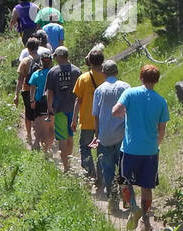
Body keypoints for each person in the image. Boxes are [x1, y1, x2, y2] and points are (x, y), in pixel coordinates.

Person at [112, 63, 170, 231]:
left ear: (140, 77)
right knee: (147, 187)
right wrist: (155, 145)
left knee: (123, 181)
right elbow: (162, 129)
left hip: (130, 148)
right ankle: (146, 222)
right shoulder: (161, 101)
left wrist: (126, 113)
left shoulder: (130, 93)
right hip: (150, 151)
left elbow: (116, 111)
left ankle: (133, 207)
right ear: (157, 80)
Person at [92, 60, 128, 215]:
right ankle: (127, 199)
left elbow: (96, 115)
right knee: (123, 169)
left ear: (103, 73)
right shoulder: (126, 87)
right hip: (122, 134)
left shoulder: (99, 90)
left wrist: (96, 134)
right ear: (117, 72)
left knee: (108, 170)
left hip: (105, 135)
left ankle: (113, 203)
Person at [72, 46, 107, 190]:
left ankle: (89, 173)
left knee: (85, 148)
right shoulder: (107, 78)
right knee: (102, 150)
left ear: (89, 62)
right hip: (104, 121)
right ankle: (100, 179)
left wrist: (74, 119)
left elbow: (78, 100)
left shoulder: (83, 78)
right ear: (102, 61)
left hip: (87, 120)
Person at [45, 46, 82, 175]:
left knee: (62, 138)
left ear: (59, 57)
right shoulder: (77, 71)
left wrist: (49, 108)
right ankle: (69, 161)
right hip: (73, 108)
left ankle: (66, 167)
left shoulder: (53, 72)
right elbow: (80, 93)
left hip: (59, 109)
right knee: (70, 137)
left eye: (55, 56)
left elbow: (50, 92)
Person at [13, 36, 42, 144]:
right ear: (38, 47)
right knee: (39, 113)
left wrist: (16, 95)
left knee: (28, 113)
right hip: (40, 90)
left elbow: (20, 79)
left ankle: (29, 135)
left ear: (27, 48)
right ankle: (39, 135)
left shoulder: (25, 61)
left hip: (27, 89)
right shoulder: (43, 59)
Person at [26, 49, 55, 154]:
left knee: (39, 125)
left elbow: (32, 88)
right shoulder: (55, 72)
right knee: (51, 126)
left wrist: (32, 100)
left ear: (41, 61)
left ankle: (42, 145)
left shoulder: (36, 74)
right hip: (53, 103)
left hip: (40, 103)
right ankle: (48, 147)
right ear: (51, 60)